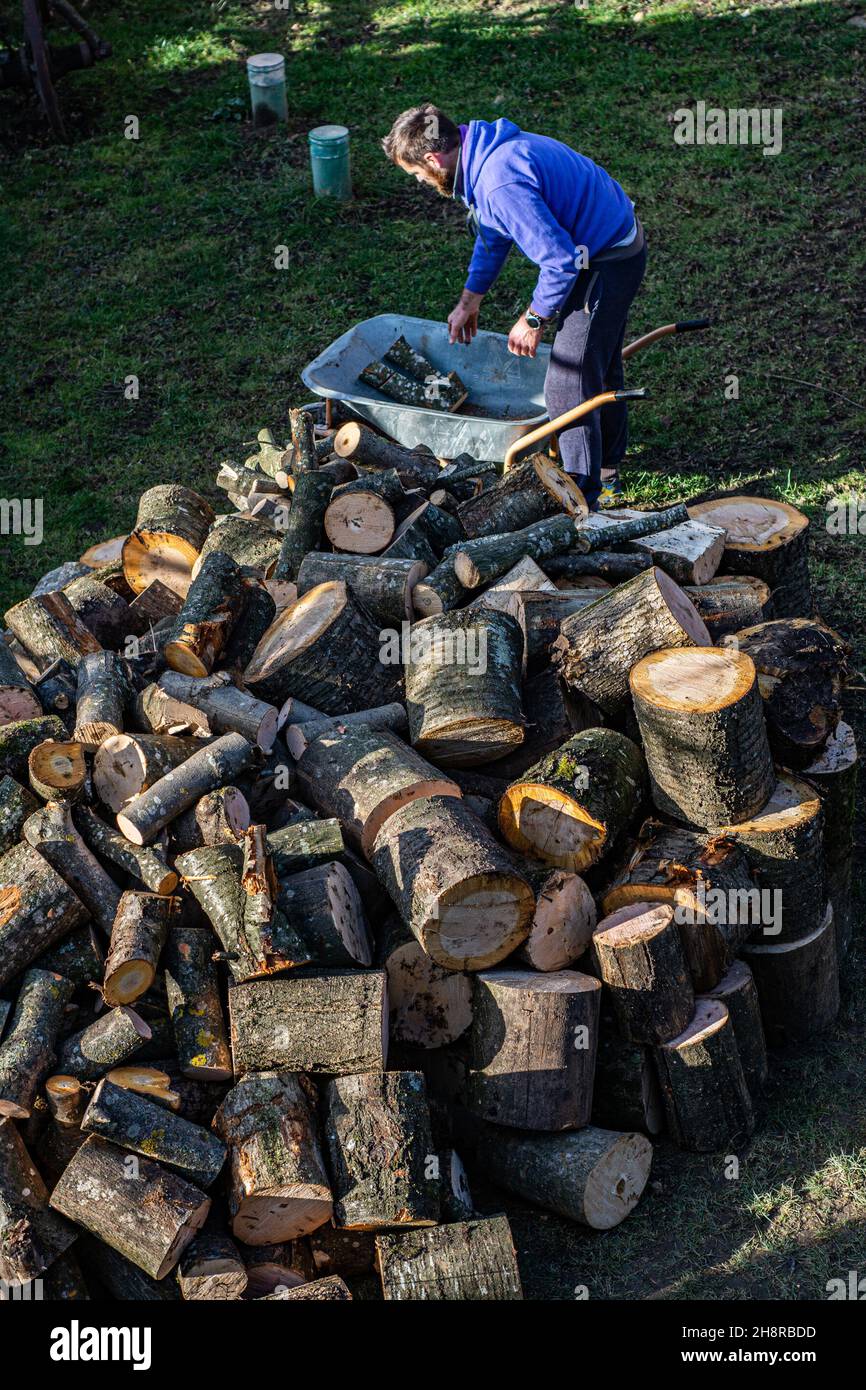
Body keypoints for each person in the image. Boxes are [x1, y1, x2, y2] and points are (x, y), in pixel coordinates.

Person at [381, 104, 647, 509]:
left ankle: (583, 496)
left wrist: (534, 318)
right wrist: (470, 299)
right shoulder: (484, 153)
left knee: (568, 380)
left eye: (418, 174)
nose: (421, 182)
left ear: (434, 159)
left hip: (608, 257)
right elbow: (493, 231)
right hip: (604, 246)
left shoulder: (499, 181)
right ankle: (607, 471)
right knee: (596, 363)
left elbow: (560, 261)